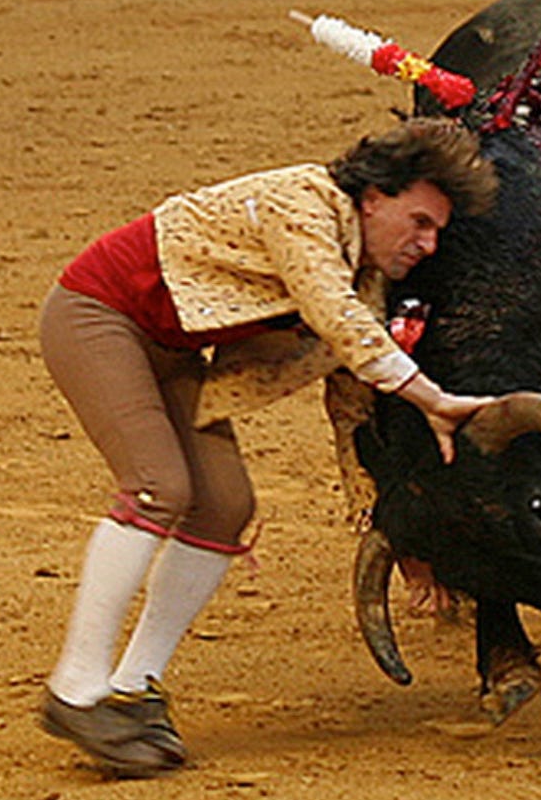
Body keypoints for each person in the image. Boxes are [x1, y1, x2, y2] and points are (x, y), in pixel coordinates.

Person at [37, 118, 498, 778]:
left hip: (166, 350)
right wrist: (431, 395)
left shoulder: (363, 283)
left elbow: (351, 409)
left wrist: (396, 529)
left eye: (437, 232)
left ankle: (133, 684)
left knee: (224, 503)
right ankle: (76, 687)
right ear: (374, 198)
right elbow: (331, 311)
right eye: (419, 221)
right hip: (95, 315)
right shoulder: (304, 201)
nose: (427, 243)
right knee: (158, 486)